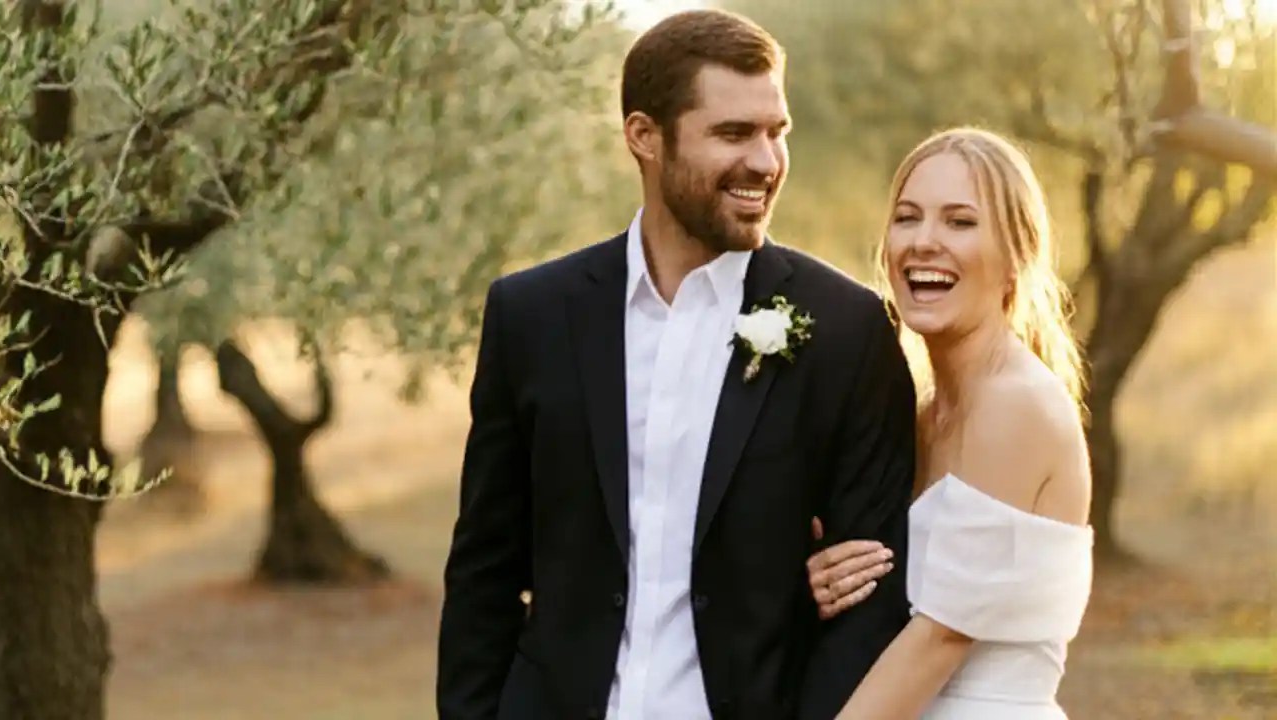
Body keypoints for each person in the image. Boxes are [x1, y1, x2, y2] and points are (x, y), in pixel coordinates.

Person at [436, 9, 917, 720]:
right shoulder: (532, 316)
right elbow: (484, 569)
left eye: (776, 132)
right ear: (644, 136)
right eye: (732, 134)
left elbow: (870, 599)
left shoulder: (849, 331)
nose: (765, 161)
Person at [806, 128, 1095, 719]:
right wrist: (825, 576)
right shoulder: (923, 413)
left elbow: (939, 639)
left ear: (1018, 255)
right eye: (908, 218)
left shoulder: (1015, 406)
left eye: (960, 222)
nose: (925, 242)